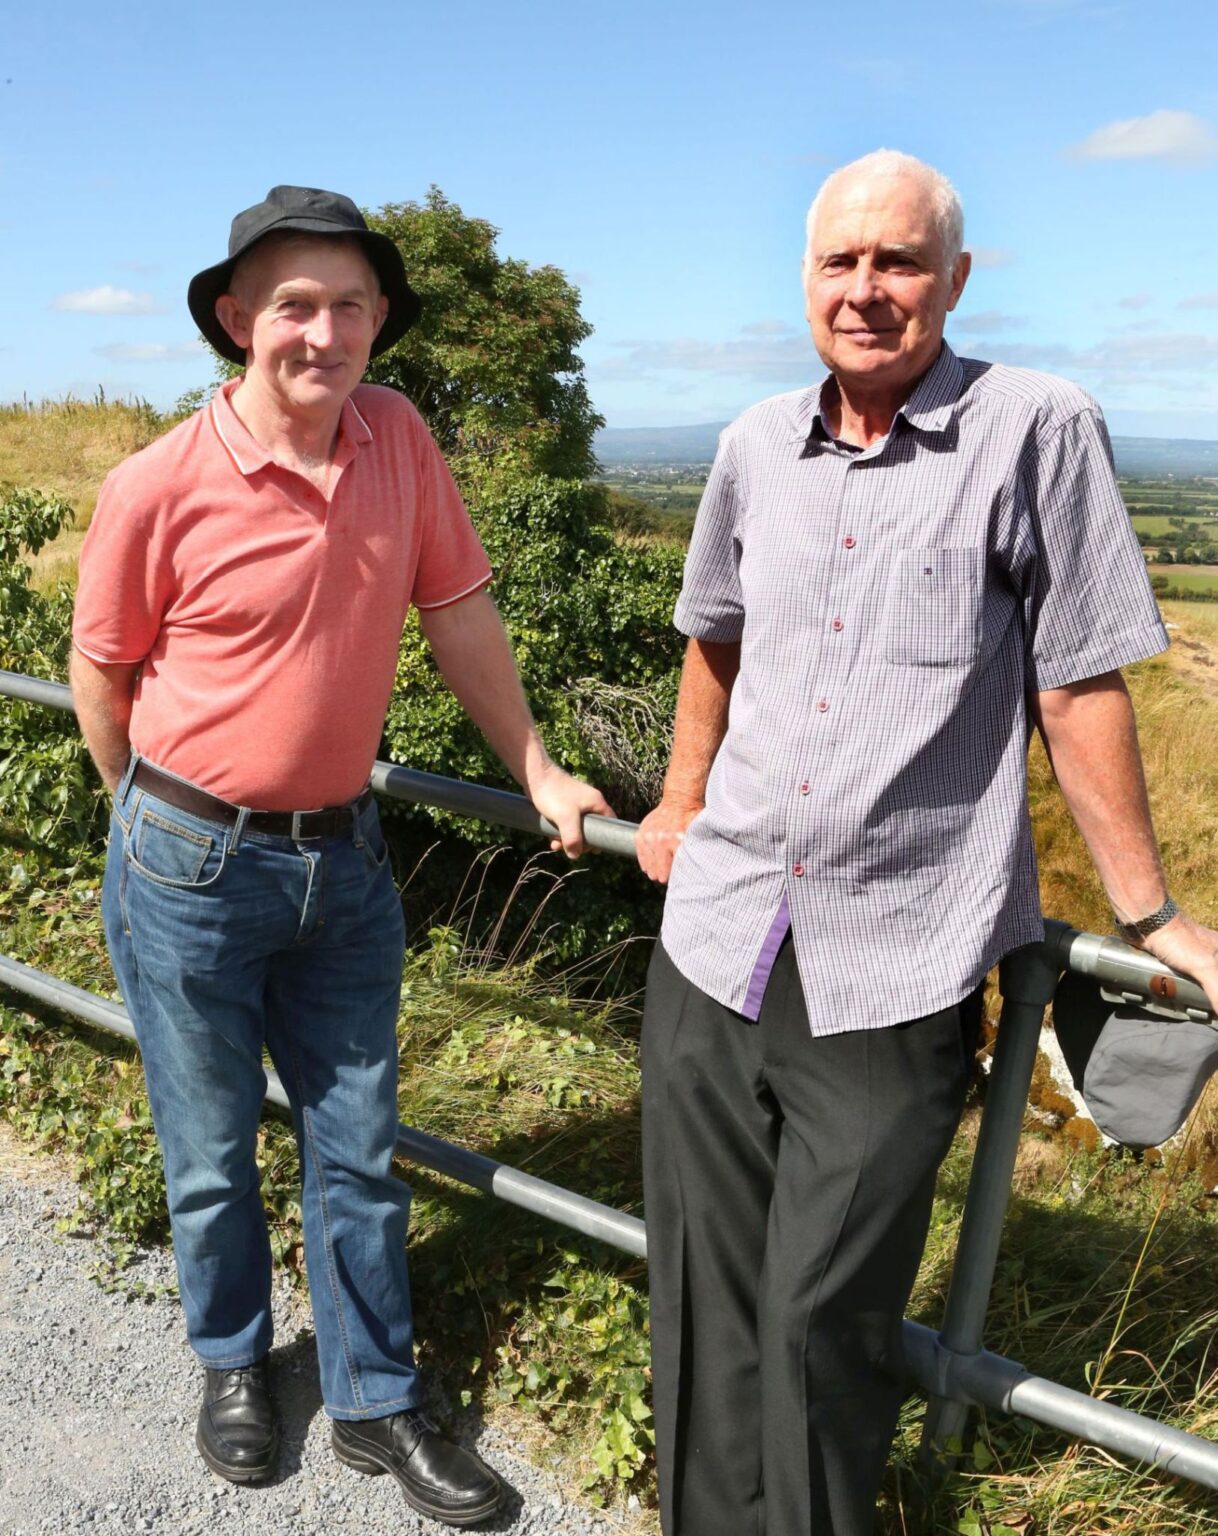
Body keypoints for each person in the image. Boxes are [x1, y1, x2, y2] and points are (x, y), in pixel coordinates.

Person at [634, 148, 1218, 1536]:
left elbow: (1076, 681)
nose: (865, 289)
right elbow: (712, 635)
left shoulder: (1036, 428)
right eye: (839, 261)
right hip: (717, 937)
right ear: (804, 279)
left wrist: (1148, 915)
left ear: (953, 280)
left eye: (897, 261)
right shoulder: (752, 446)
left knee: (820, 1319)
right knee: (701, 1293)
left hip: (896, 959)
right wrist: (675, 796)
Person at [69, 184, 613, 1529]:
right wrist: (143, 818)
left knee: (357, 1150)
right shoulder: (157, 482)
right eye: (296, 305)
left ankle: (375, 1397)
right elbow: (103, 670)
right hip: (188, 863)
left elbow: (460, 611)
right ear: (236, 319)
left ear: (377, 322)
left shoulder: (397, 437)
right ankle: (234, 1362)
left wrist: (536, 767)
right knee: (209, 1150)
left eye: (351, 305)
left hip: (346, 866)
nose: (325, 332)